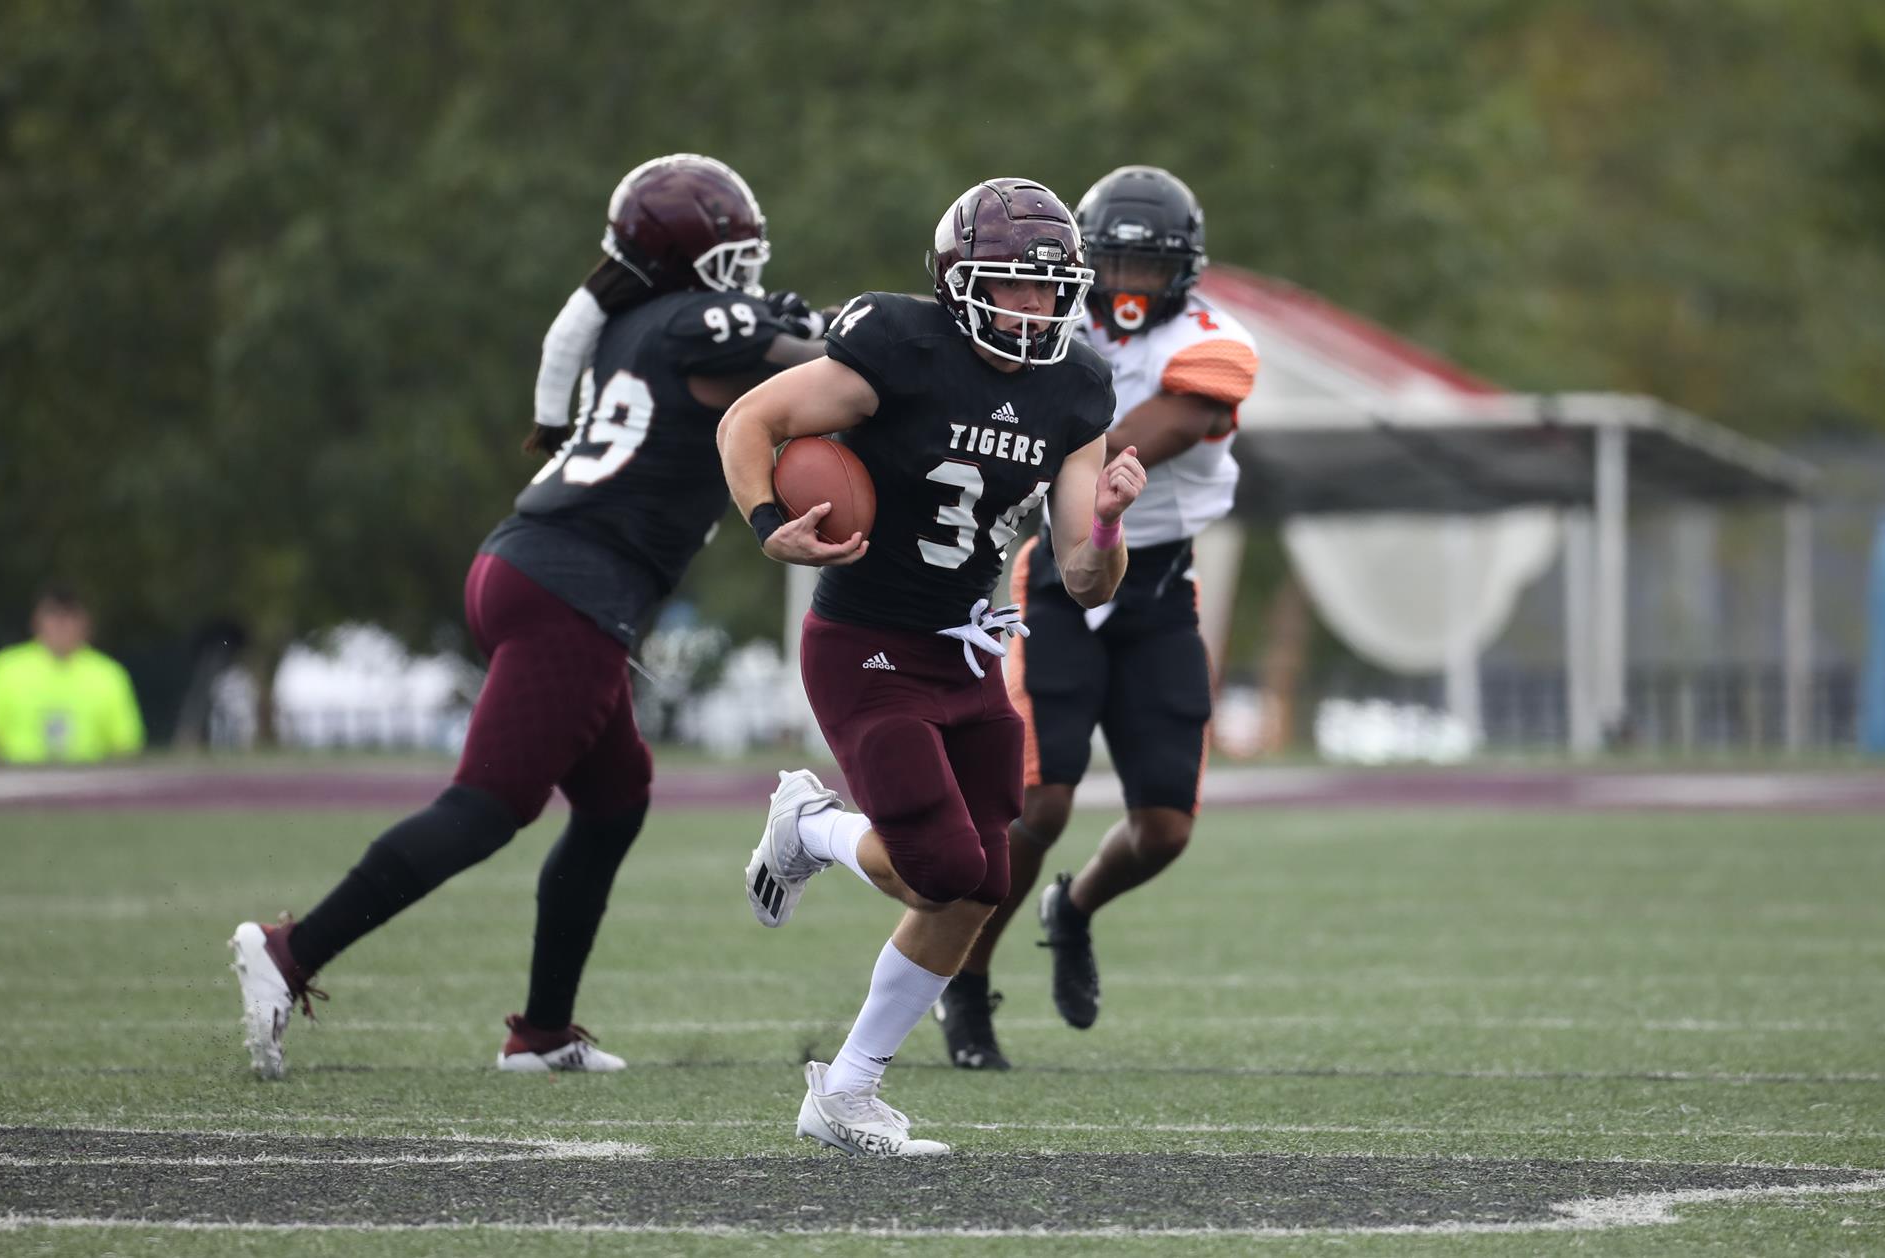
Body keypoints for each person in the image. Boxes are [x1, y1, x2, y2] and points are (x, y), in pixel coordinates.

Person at [228, 154, 830, 1081]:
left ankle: (543, 1033)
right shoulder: (700, 325)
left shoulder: (634, 320)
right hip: (571, 586)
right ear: (692, 262)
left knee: (615, 800)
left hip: (535, 565)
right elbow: (822, 366)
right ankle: (291, 951)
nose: (748, 274)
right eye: (733, 256)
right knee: (486, 808)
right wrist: (877, 333)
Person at [717, 176, 1147, 1157]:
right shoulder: (897, 346)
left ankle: (847, 1091)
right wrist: (765, 522)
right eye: (1013, 285)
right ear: (959, 285)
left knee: (982, 884)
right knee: (938, 870)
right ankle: (812, 827)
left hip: (964, 650)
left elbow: (1086, 579)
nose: (1034, 306)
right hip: (865, 644)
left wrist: (1111, 523)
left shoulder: (1075, 388)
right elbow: (748, 420)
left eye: (1050, 288)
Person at [937, 165, 1259, 1070]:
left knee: (1165, 829)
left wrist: (1028, 436)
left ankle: (1072, 909)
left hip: (1159, 588)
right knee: (1040, 800)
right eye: (1114, 265)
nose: (1129, 286)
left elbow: (1150, 434)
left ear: (1184, 273)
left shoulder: (1214, 342)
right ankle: (964, 978)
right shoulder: (1045, 321)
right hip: (1061, 578)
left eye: (1148, 269)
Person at [0, 586, 145, 764]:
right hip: (18, 777)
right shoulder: (6, 668)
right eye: (53, 614)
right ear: (36, 620)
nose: (61, 624)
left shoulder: (109, 675)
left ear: (86, 622)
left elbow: (126, 747)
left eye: (70, 615)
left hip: (90, 777)